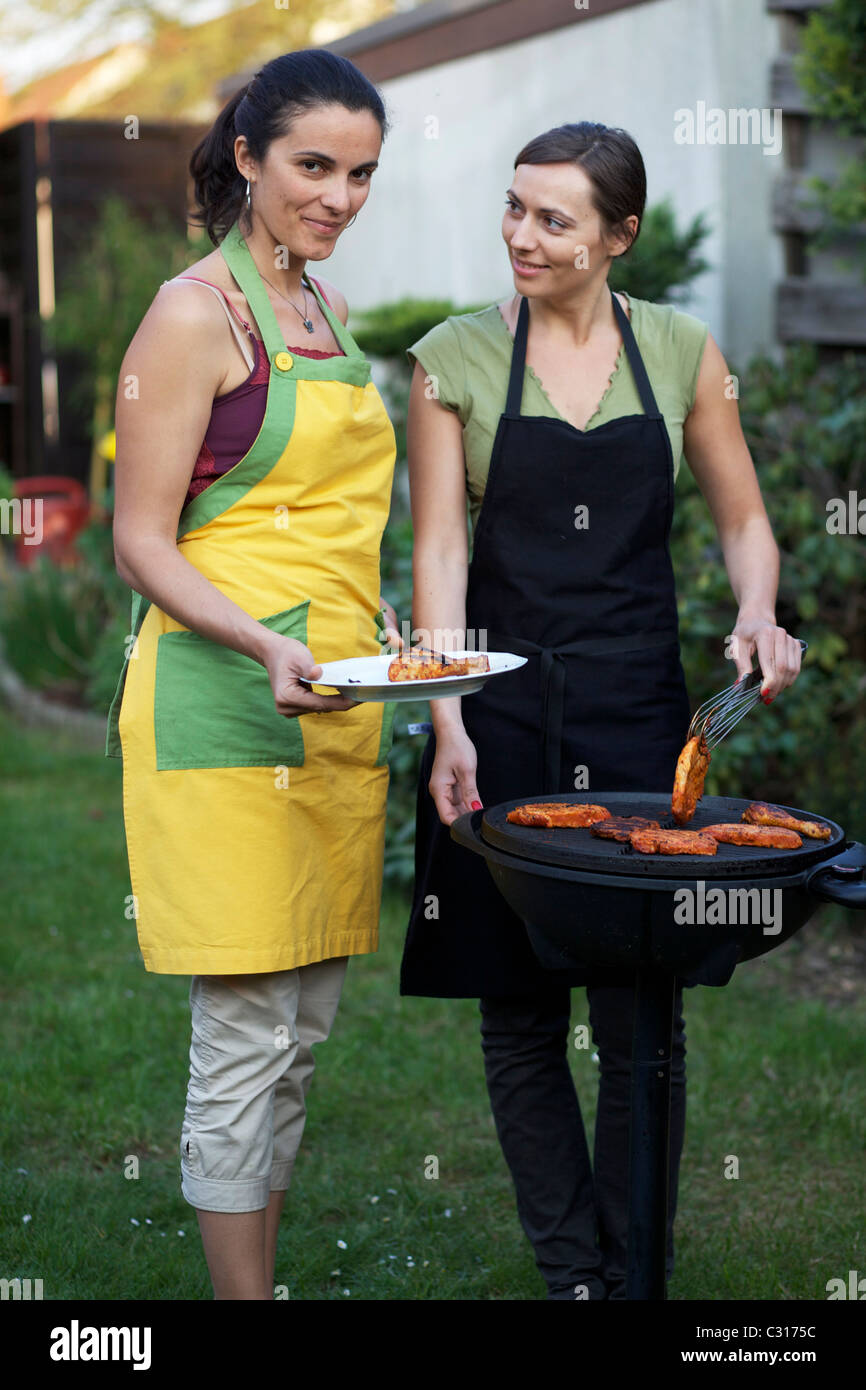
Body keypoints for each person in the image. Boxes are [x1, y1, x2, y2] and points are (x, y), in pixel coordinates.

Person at [399, 122, 803, 1300]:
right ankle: (572, 1270)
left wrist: (757, 611)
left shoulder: (678, 350)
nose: (520, 235)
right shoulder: (449, 359)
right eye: (512, 208)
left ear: (616, 236)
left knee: (642, 1012)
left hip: (637, 717)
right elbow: (435, 548)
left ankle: (637, 1271)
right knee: (517, 1008)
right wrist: (450, 716)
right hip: (501, 710)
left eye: (553, 218)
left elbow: (740, 519)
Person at [105, 50, 401, 1300]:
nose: (338, 197)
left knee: (299, 1042)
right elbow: (140, 538)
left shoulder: (322, 311)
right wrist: (271, 639)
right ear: (246, 158)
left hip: (335, 702)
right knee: (242, 1037)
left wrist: (372, 613)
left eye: (362, 173)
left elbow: (321, 512)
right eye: (313, 167)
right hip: (226, 700)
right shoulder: (191, 313)